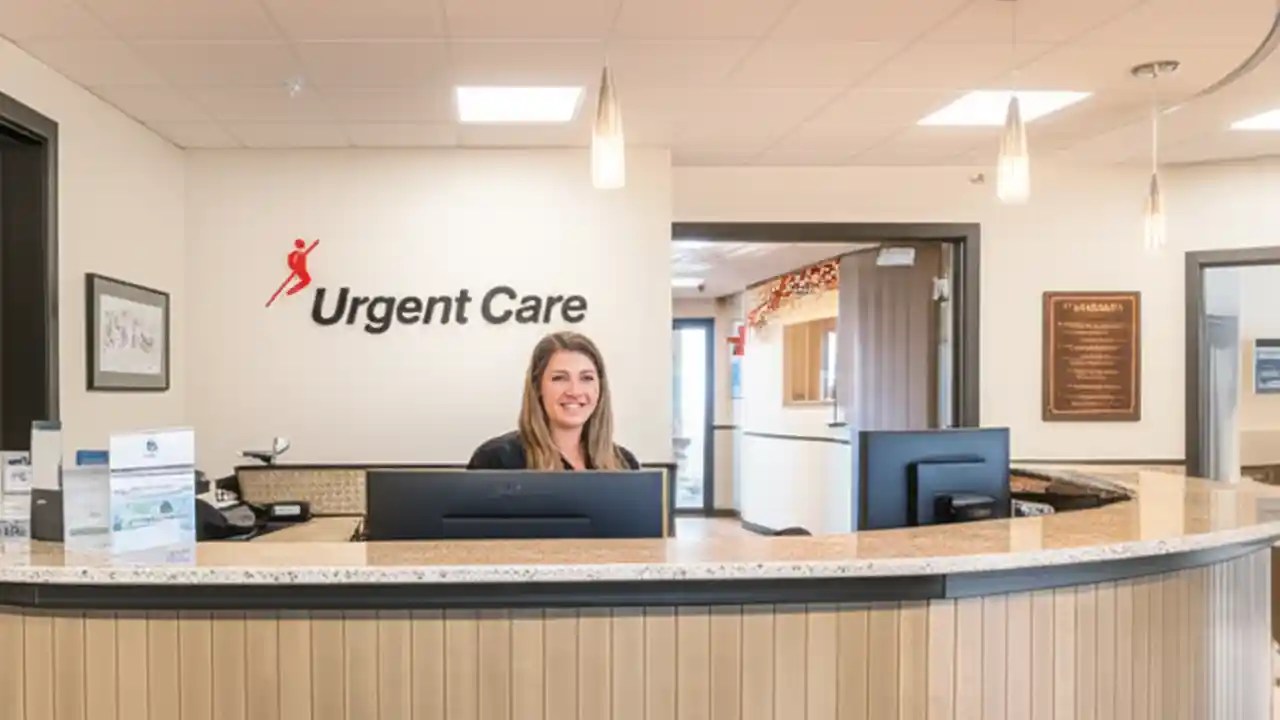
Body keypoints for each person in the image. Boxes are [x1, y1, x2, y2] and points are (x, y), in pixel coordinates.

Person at [468, 331, 640, 471]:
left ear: (600, 388)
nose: (575, 391)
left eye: (586, 378)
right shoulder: (496, 460)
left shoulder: (624, 464)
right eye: (559, 378)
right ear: (537, 387)